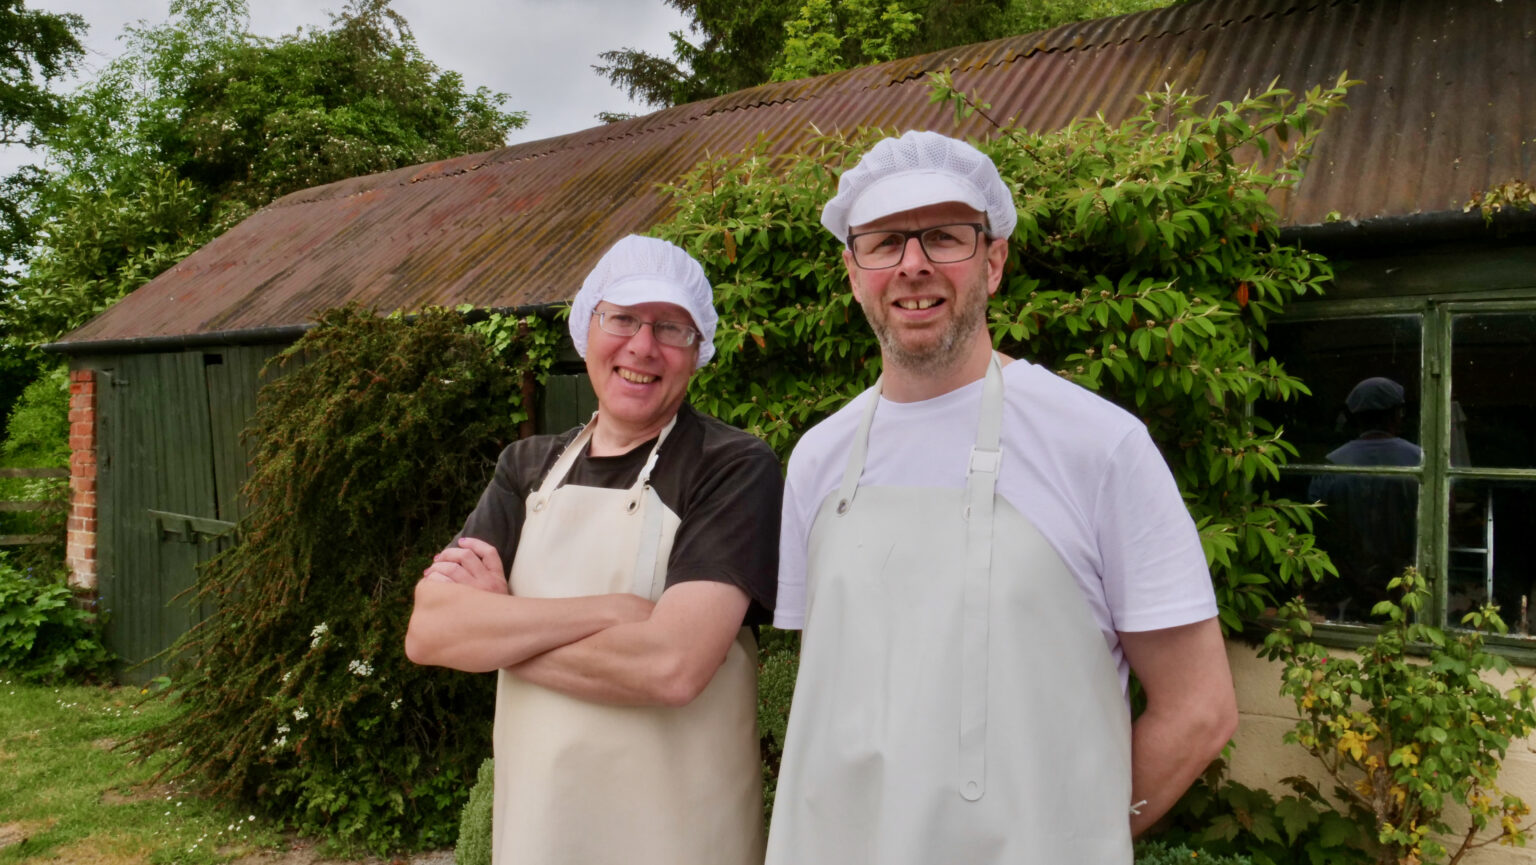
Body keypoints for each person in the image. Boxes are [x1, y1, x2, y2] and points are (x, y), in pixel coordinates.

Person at [765, 130, 1238, 864]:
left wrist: (1081, 834)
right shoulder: (818, 459)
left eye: (944, 237)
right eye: (885, 241)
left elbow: (1200, 708)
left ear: (994, 258)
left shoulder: (1097, 443)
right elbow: (837, 697)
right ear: (852, 270)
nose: (913, 263)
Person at [404, 235, 780, 865]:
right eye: (623, 318)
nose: (642, 345)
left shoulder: (732, 466)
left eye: (671, 328)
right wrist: (612, 610)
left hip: (677, 835)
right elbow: (430, 632)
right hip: (541, 827)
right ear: (586, 330)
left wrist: (500, 628)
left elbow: (672, 667)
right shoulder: (526, 465)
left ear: (698, 352)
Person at [1307, 376, 1422, 620]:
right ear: (1395, 415)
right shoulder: (1419, 461)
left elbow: (1316, 529)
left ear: (1356, 417)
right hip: (1408, 589)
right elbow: (1446, 516)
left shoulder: (1330, 465)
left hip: (1348, 594)